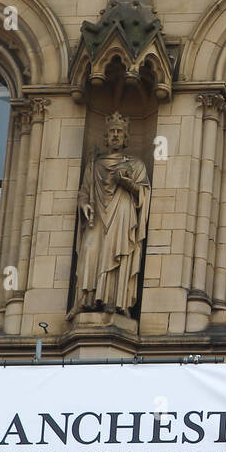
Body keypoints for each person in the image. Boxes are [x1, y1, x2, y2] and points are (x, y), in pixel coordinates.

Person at [68, 112, 151, 318]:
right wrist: (84, 204)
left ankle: (115, 301)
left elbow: (144, 192)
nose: (115, 135)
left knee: (118, 252)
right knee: (89, 249)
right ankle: (86, 299)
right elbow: (84, 191)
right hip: (96, 216)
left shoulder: (135, 164)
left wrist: (128, 183)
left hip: (122, 213)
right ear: (105, 136)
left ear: (125, 138)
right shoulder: (94, 164)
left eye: (119, 132)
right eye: (112, 132)